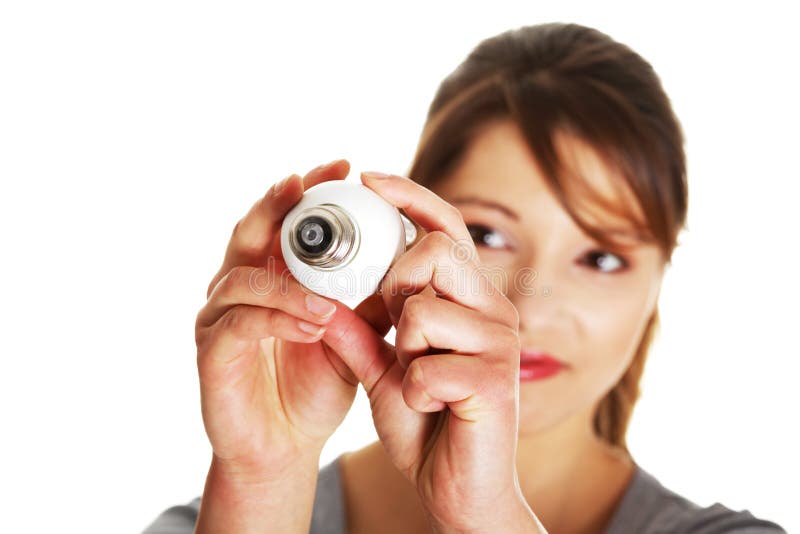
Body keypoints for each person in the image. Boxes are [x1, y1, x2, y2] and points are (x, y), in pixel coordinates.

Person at [143, 22, 786, 533]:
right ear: (409, 230)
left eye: (603, 257)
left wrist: (480, 517)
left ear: (660, 279)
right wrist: (265, 478)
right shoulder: (214, 522)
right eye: (486, 235)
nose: (529, 312)